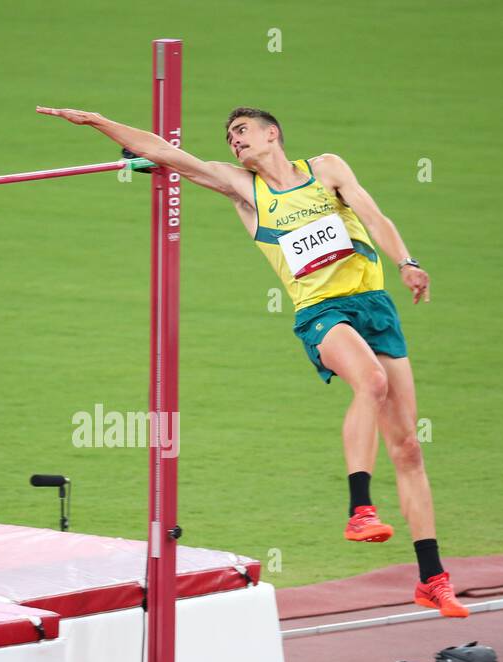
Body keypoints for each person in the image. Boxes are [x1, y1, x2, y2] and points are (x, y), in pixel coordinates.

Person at [37, 104, 468, 617]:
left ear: (273, 134)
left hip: (375, 305)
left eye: (241, 131)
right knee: (370, 383)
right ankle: (359, 508)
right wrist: (96, 121)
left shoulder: (326, 168)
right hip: (320, 313)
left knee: (409, 448)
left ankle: (432, 578)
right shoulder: (244, 189)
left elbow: (374, 217)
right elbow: (164, 151)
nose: (234, 141)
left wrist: (408, 262)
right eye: (229, 137)